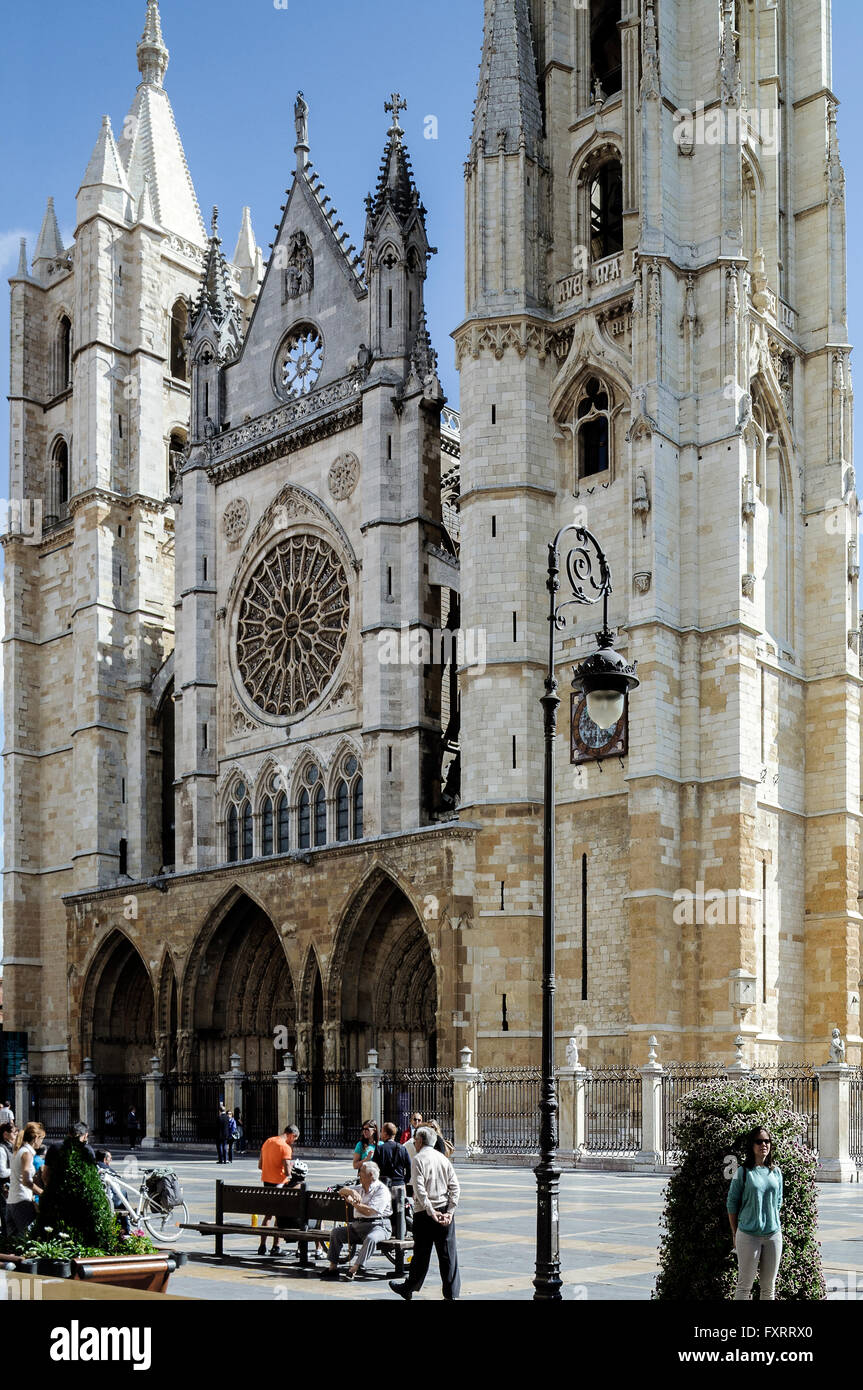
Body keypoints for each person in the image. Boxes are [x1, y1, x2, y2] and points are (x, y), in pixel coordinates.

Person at [389, 1125, 460, 1301]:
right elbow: (455, 1188)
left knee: (421, 1253)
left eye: (415, 1140)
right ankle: (451, 1294)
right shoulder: (444, 1159)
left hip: (424, 1212)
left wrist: (430, 1210)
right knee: (448, 1254)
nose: (414, 1142)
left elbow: (419, 1190)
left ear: (420, 1141)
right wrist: (450, 1211)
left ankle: (410, 1286)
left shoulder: (419, 1159)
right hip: (444, 1210)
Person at [727, 1125, 784, 1301]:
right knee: (745, 1286)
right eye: (759, 1141)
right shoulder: (742, 1172)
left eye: (767, 1141)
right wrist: (735, 1232)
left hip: (773, 1235)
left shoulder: (776, 1172)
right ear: (752, 1146)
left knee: (769, 1288)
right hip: (748, 1235)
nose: (763, 1145)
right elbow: (731, 1203)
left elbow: (778, 1201)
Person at [319, 1160, 393, 1280]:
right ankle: (332, 1267)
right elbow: (341, 1191)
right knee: (336, 1233)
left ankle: (355, 1268)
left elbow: (369, 1211)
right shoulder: (360, 1187)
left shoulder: (381, 1190)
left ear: (371, 1175)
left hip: (379, 1225)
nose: (359, 1175)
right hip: (358, 1226)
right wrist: (351, 1191)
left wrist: (353, 1203)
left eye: (361, 1172)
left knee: (371, 1238)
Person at [257, 1124, 300, 1256]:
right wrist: (291, 1169)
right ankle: (276, 1246)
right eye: (294, 1139)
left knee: (268, 1215)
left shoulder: (268, 1141)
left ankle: (262, 1246)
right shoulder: (285, 1147)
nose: (293, 1142)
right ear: (292, 1135)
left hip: (266, 1182)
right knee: (279, 1216)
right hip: (279, 1184)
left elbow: (260, 1165)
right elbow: (287, 1172)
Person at [6, 1121, 45, 1243]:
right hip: (22, 1202)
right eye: (42, 1139)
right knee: (28, 1241)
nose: (42, 1142)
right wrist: (42, 1192)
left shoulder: (20, 1151)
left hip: (12, 1201)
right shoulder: (26, 1154)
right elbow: (26, 1181)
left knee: (12, 1242)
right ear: (36, 1137)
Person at [95, 1148, 131, 1234]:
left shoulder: (93, 1167)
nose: (111, 1160)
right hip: (108, 1200)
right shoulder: (109, 1170)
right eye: (110, 1158)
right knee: (123, 1194)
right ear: (105, 1159)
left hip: (97, 1198)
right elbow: (116, 1189)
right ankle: (126, 1228)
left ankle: (121, 1225)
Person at [375, 1122, 410, 1189]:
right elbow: (409, 1167)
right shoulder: (402, 1148)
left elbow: (375, 1167)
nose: (380, 1134)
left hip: (384, 1184)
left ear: (385, 1134)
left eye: (381, 1131)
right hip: (399, 1183)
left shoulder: (380, 1149)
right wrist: (404, 1181)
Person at [0, 1120, 17, 1243]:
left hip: (10, 1188)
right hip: (3, 1188)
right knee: (6, 1217)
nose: (16, 1135)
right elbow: (2, 1172)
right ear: (5, 1134)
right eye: (14, 1133)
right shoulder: (2, 1149)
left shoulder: (10, 1147)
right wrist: (16, 1170)